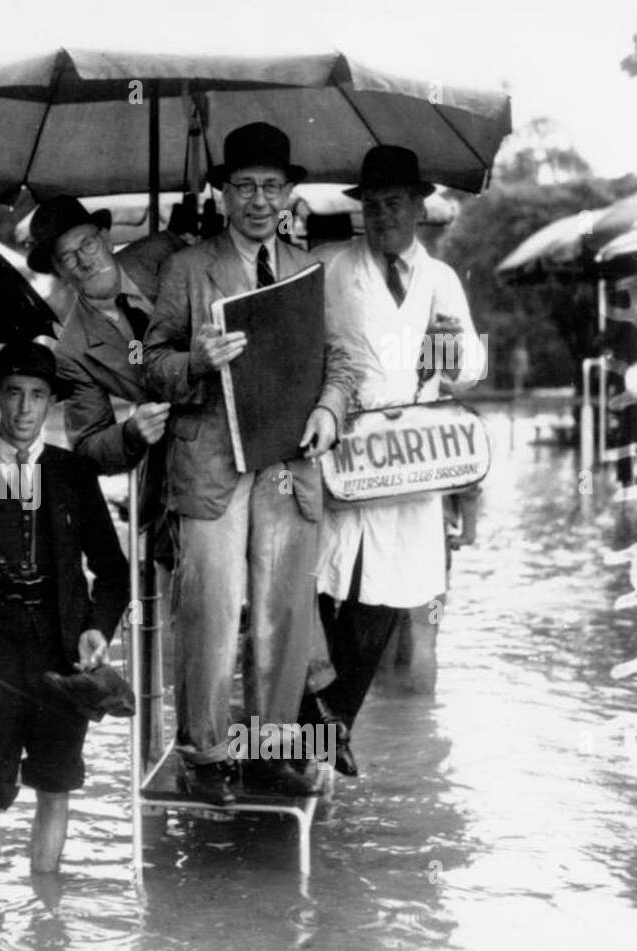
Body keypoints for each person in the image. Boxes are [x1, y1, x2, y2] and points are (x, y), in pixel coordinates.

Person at [143, 123, 357, 803]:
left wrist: (328, 410)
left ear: (290, 194)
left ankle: (270, 751)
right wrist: (195, 363)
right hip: (210, 465)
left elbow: (342, 364)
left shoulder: (307, 271)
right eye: (244, 186)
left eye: (272, 186)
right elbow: (151, 367)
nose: (259, 199)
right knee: (208, 605)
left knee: (286, 611)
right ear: (223, 194)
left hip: (286, 465)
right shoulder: (187, 268)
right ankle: (204, 755)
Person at [0, 340, 129, 877]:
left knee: (55, 787)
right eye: (13, 393)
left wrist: (97, 630)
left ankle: (45, 930)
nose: (25, 408)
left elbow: (113, 570)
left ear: (51, 402)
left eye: (37, 395)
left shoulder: (73, 473)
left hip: (62, 651)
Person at [310, 146, 486, 764]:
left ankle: (332, 726)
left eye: (395, 204)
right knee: (333, 585)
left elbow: (469, 368)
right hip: (352, 450)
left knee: (392, 591)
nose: (383, 216)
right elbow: (315, 354)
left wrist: (448, 353)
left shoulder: (441, 281)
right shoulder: (334, 270)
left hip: (412, 457)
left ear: (417, 207)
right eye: (374, 206)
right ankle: (314, 730)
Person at [27, 195, 171, 475]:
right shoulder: (71, 351)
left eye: (88, 244)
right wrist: (131, 432)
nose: (85, 261)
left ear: (106, 239)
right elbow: (87, 447)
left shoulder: (165, 251)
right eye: (68, 257)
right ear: (58, 271)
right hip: (178, 456)